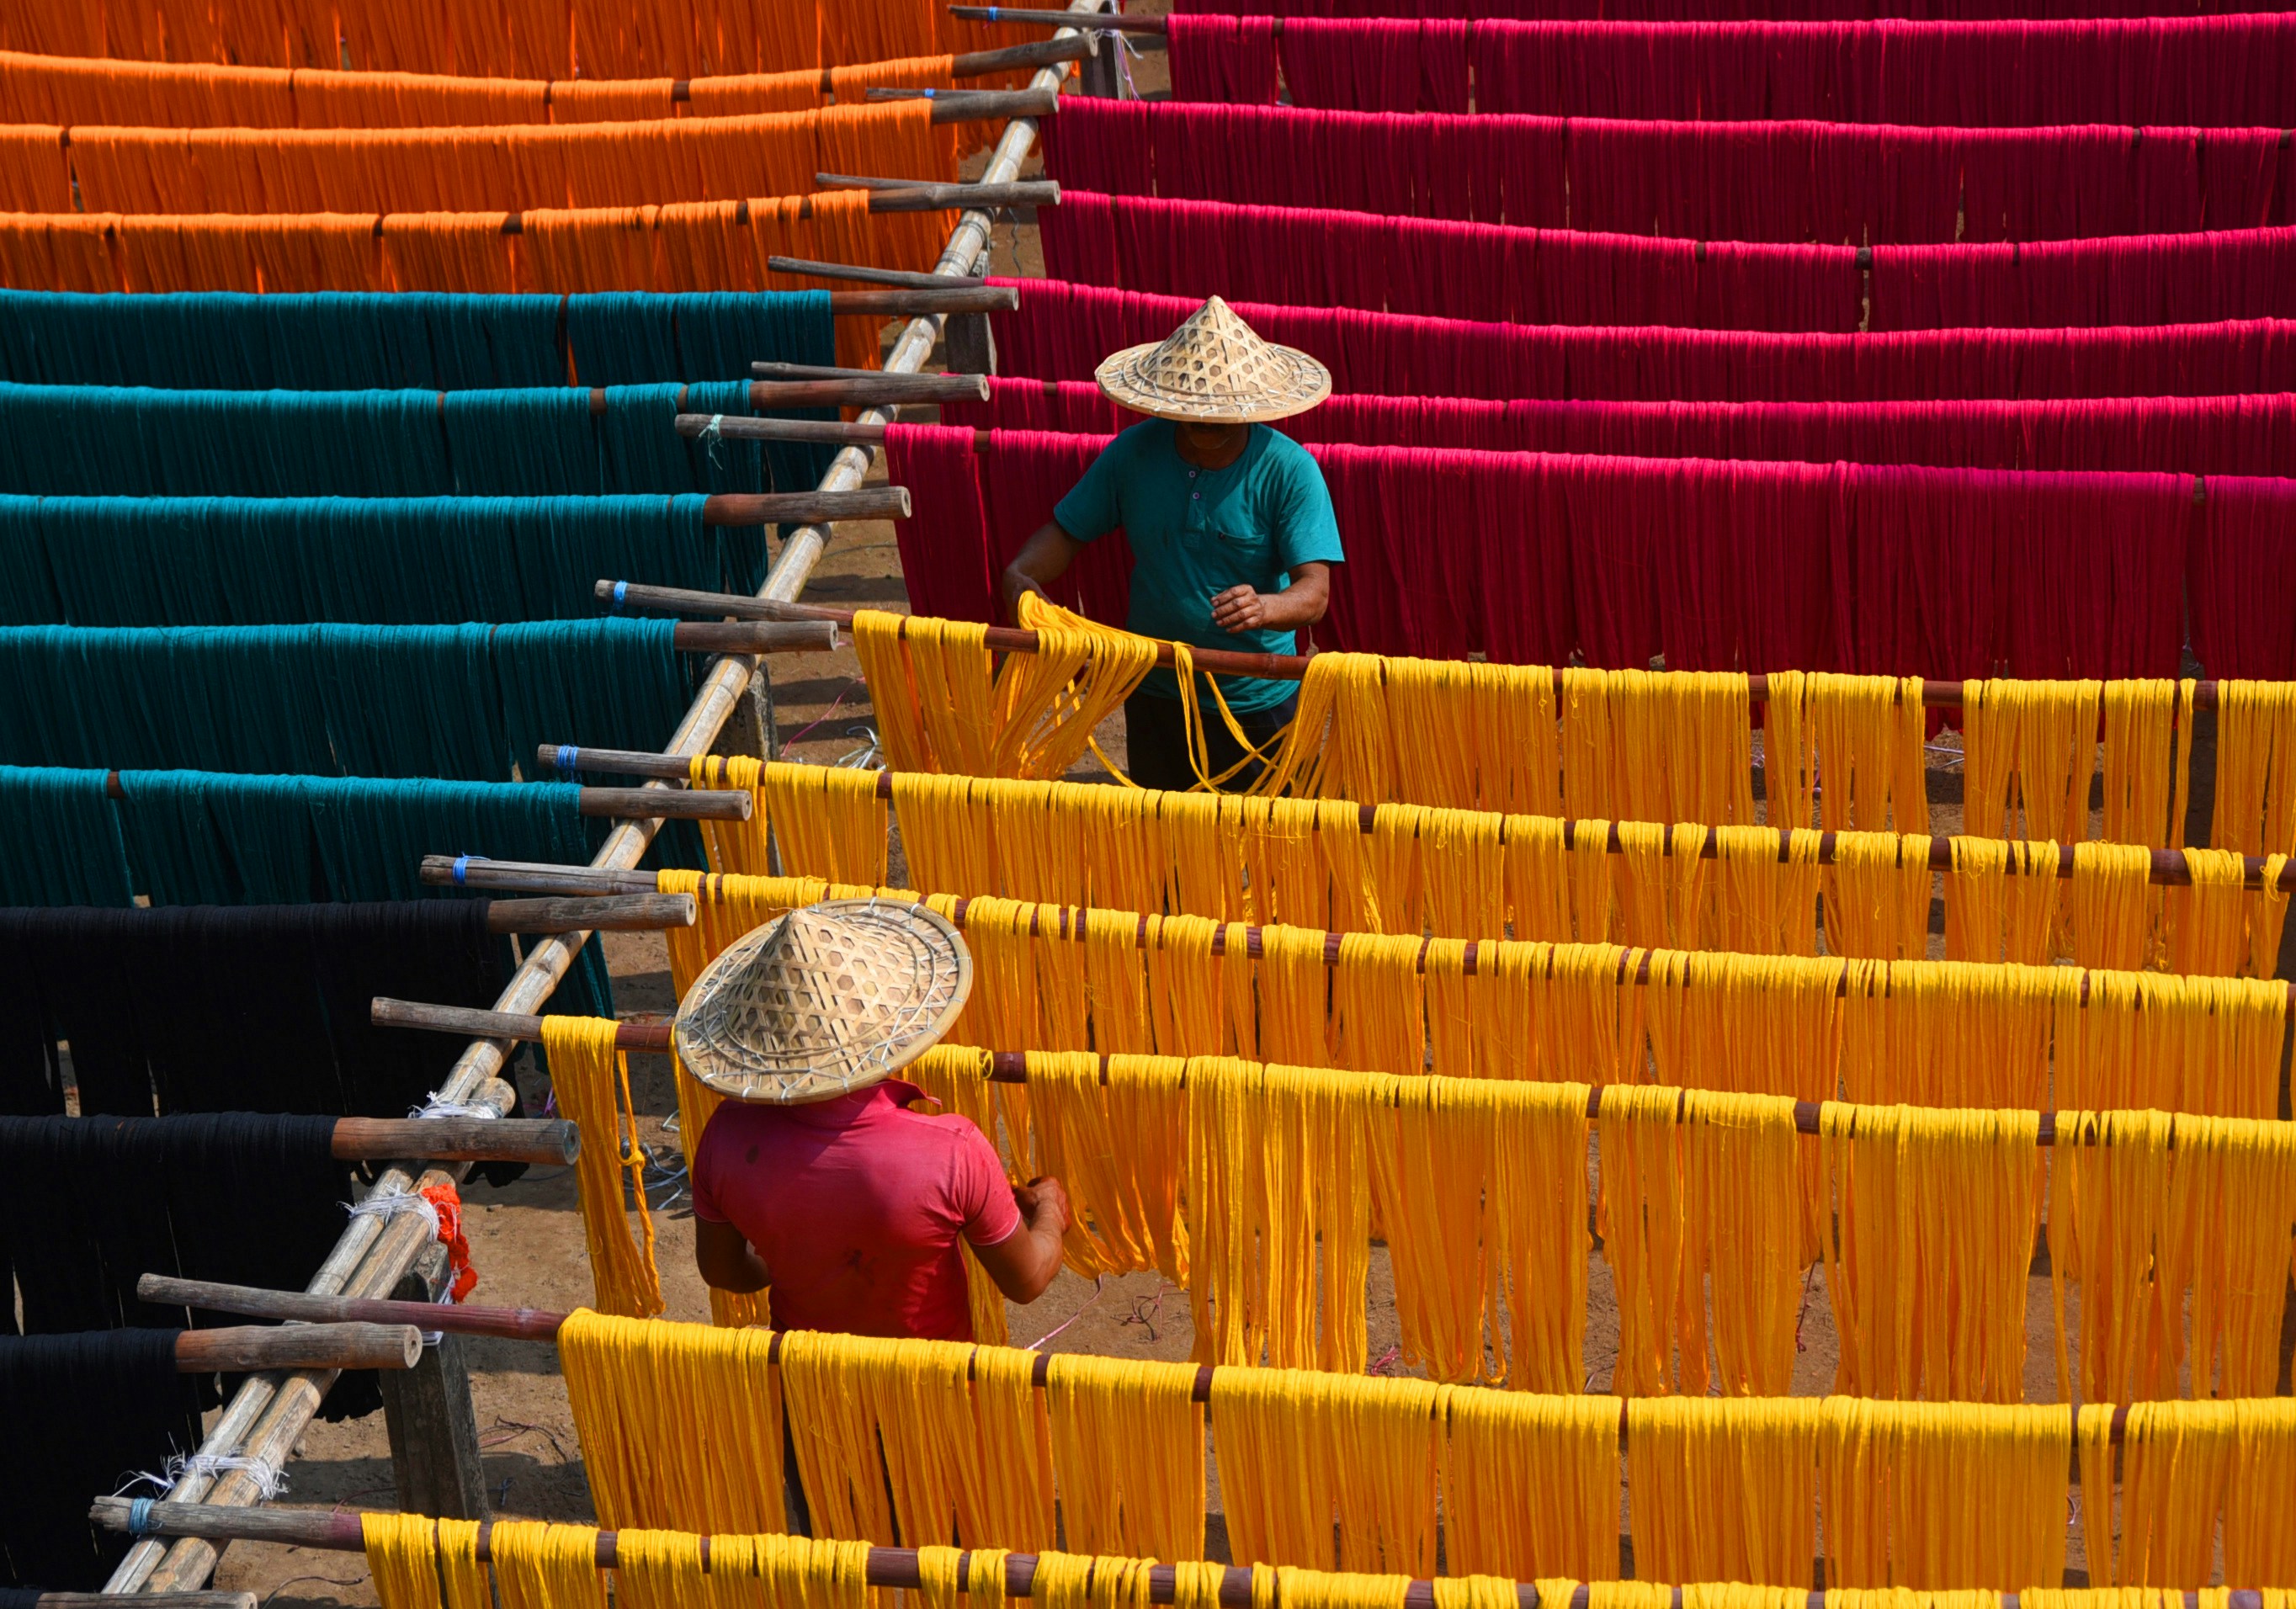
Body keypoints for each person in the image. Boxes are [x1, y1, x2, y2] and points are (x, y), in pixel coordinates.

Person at [673, 898, 1068, 1341]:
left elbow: (723, 1271)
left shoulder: (726, 1137)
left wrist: (796, 1257)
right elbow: (1027, 1280)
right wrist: (1052, 1209)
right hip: (931, 1392)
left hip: (805, 1390)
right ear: (892, 1016)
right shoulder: (953, 1150)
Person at [998, 295, 1343, 793]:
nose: (1205, 425)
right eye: (1194, 414)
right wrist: (1021, 574)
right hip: (1157, 686)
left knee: (1271, 842)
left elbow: (1315, 592)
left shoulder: (1290, 472)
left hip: (1256, 697)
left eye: (1219, 416)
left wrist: (1264, 607)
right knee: (1167, 843)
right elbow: (1069, 530)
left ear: (1250, 409)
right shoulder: (1134, 454)